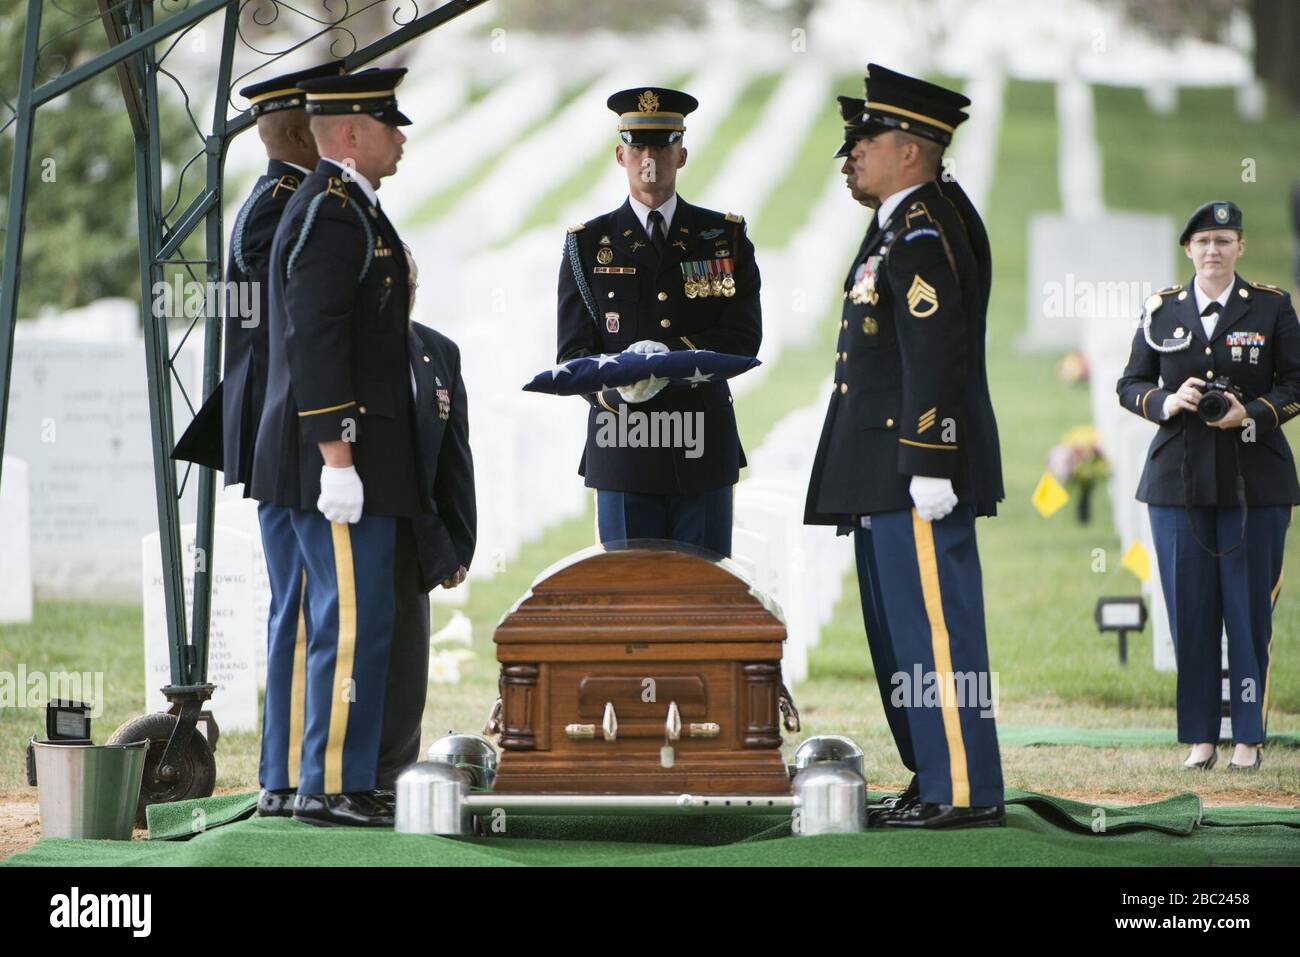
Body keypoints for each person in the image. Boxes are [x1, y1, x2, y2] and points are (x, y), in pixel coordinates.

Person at [804, 65, 1006, 829]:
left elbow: (936, 350)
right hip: (881, 467)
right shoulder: (900, 219)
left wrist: (929, 459)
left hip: (913, 466)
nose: (852, 152)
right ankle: (933, 776)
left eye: (867, 139)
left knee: (937, 634)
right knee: (903, 637)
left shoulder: (922, 228)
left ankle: (962, 788)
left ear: (913, 150)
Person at [171, 60, 345, 820]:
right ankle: (293, 776)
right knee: (303, 605)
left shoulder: (277, 201)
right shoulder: (287, 210)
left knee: (299, 603)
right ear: (304, 130)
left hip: (284, 433)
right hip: (293, 437)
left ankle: (291, 772)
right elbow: (299, 328)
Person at [251, 67, 418, 827]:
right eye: (390, 123)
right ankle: (336, 784)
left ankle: (291, 776)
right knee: (352, 618)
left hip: (316, 448)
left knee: (315, 615)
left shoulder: (336, 205)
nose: (401, 135)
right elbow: (316, 338)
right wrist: (339, 459)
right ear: (350, 133)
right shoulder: (337, 211)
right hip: (339, 454)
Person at [1116, 200, 1300, 772]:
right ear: (1188, 250)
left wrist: (1251, 413)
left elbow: (1297, 381)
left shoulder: (1271, 307)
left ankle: (1248, 737)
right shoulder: (1161, 310)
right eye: (1203, 242)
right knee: (1189, 613)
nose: (1214, 251)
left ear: (1240, 247)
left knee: (1248, 614)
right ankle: (1200, 737)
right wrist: (1167, 402)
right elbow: (1130, 383)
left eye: (1224, 240)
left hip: (1256, 483)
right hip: (1178, 483)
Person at [556, 87, 762, 557]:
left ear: (682, 154)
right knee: (631, 606)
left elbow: (743, 337)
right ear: (620, 154)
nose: (650, 158)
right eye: (639, 146)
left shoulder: (722, 238)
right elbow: (572, 355)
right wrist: (619, 384)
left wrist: (669, 358)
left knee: (703, 600)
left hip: (701, 443)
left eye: (663, 145)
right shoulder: (587, 245)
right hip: (623, 445)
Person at [376, 247, 477, 792]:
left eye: (410, 281)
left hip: (420, 536)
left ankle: (391, 782)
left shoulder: (439, 352)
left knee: (407, 667)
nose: (404, 291)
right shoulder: (352, 352)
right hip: (364, 524)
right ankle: (345, 783)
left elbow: (453, 456)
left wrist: (456, 546)